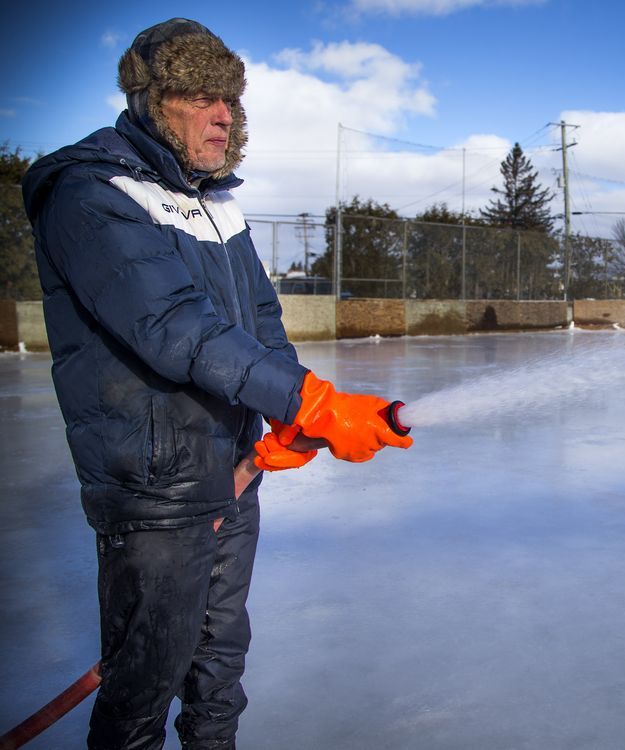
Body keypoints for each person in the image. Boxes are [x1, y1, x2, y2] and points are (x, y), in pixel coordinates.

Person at [21, 18, 412, 750]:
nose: (222, 113)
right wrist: (313, 403)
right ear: (149, 100)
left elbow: (260, 322)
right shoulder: (90, 192)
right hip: (155, 490)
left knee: (219, 675)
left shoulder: (215, 202)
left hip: (232, 472)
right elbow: (174, 326)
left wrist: (287, 415)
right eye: (198, 95)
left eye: (228, 97)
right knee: (143, 692)